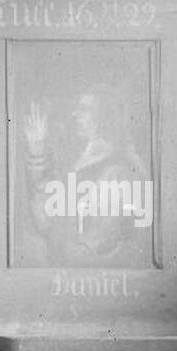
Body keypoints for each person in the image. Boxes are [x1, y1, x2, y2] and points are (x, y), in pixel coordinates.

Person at [21, 84, 151, 267]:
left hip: (96, 279)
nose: (75, 115)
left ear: (103, 115)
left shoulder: (120, 169)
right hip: (66, 273)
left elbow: (101, 241)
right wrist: (37, 151)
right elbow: (46, 219)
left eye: (84, 109)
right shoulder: (76, 160)